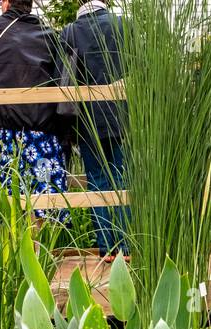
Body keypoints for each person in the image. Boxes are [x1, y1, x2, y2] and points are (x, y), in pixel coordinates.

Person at [0, 0, 70, 223]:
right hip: (42, 132)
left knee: (10, 199)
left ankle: (15, 252)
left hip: (4, 132)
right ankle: (41, 253)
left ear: (6, 2)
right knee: (45, 198)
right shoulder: (49, 34)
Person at [61, 0, 127, 257]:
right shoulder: (124, 25)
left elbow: (63, 78)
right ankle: (127, 245)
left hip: (87, 122)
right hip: (124, 118)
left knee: (97, 181)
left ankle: (106, 247)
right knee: (123, 178)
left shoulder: (70, 32)